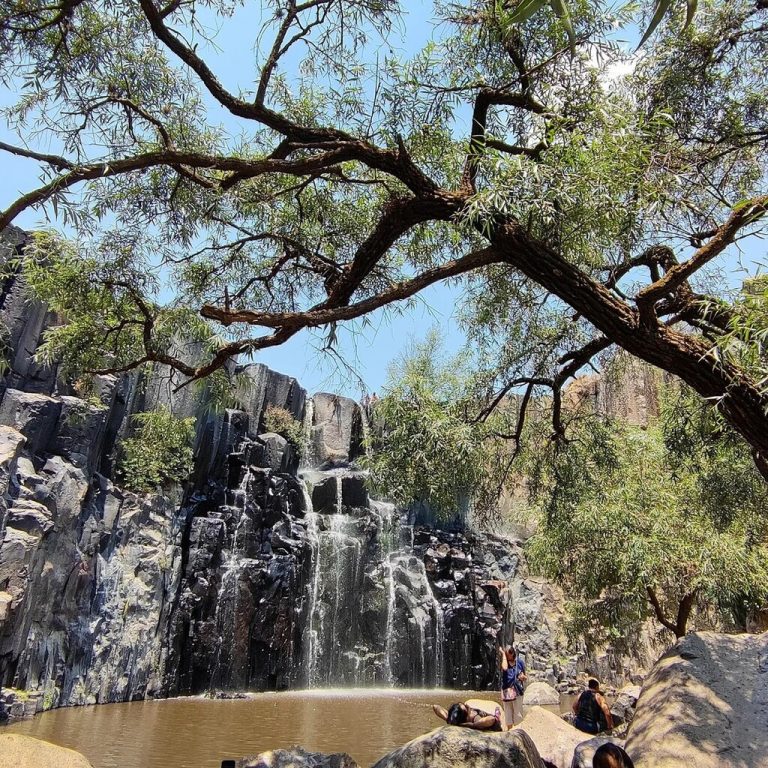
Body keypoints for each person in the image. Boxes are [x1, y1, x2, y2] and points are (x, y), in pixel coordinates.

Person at [432, 699, 507, 731]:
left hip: (495, 720)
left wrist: (473, 725)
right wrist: (448, 718)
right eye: (466, 707)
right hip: (488, 718)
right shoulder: (456, 719)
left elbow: (492, 719)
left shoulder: (474, 717)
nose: (467, 705)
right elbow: (435, 707)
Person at [499, 645, 527, 726]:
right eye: (506, 655)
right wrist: (503, 654)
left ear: (513, 653)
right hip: (507, 691)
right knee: (508, 716)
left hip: (518, 691)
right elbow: (504, 668)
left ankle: (518, 733)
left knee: (518, 715)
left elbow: (525, 676)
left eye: (508, 655)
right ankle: (509, 733)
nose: (507, 657)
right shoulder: (505, 662)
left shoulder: (520, 662)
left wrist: (523, 677)